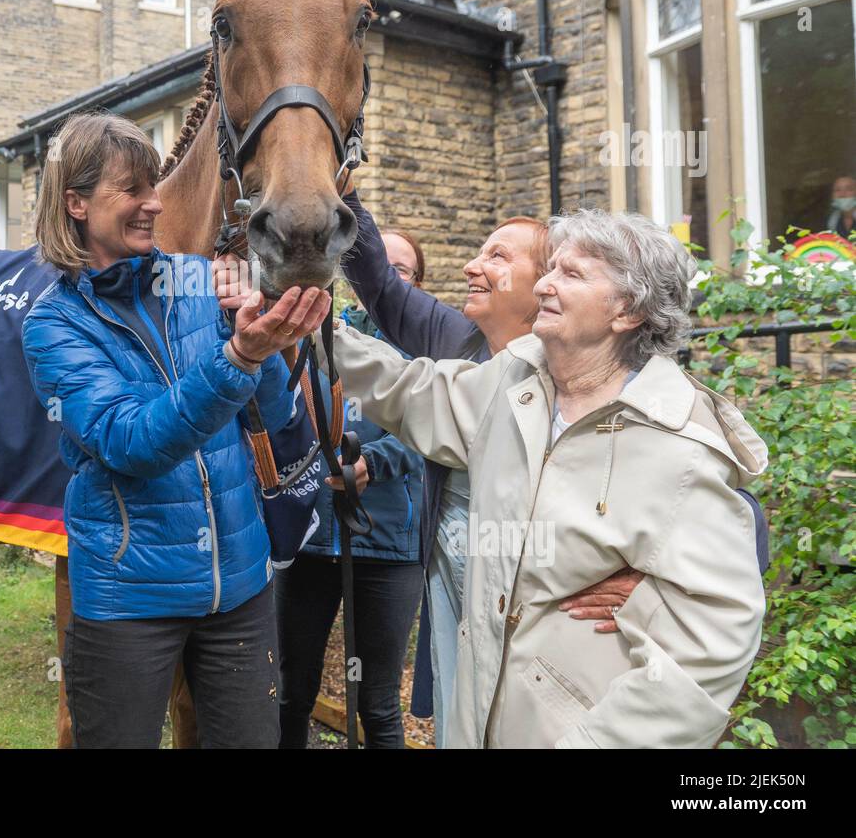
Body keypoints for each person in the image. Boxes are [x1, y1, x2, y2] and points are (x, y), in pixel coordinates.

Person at [316, 207, 768, 747]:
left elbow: (707, 652)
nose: (545, 285)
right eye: (550, 268)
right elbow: (421, 395)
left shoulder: (679, 444)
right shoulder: (519, 381)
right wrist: (315, 333)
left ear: (627, 310)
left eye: (571, 274)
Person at [21, 112, 328, 749]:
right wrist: (237, 358)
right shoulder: (54, 326)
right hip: (130, 597)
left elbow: (269, 418)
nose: (153, 204)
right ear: (75, 203)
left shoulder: (200, 279)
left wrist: (266, 338)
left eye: (152, 186)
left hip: (239, 587)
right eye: (131, 189)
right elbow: (131, 441)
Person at [334, 192, 645, 746]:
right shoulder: (460, 341)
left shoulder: (594, 375)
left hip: (551, 620)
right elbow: (380, 288)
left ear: (545, 282)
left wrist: (650, 581)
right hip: (463, 596)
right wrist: (339, 184)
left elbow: (722, 506)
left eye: (499, 256)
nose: (473, 266)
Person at [271, 231, 430, 749]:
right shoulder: (319, 333)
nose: (389, 275)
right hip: (313, 541)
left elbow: (435, 434)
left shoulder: (427, 346)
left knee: (377, 702)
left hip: (387, 543)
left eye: (402, 269)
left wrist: (373, 463)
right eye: (379, 264)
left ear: (416, 282)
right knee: (292, 691)